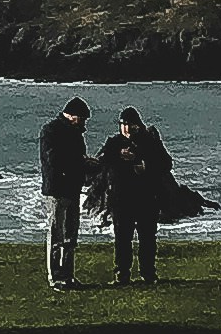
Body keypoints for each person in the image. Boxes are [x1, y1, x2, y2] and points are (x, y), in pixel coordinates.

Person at [97, 105, 176, 286]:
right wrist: (118, 155)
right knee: (122, 239)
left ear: (138, 125)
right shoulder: (114, 143)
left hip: (146, 197)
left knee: (147, 238)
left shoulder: (149, 141)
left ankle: (148, 273)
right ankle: (122, 274)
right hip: (121, 198)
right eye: (122, 124)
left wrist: (145, 166)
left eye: (130, 125)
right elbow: (102, 160)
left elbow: (166, 163)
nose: (126, 129)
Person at [38, 96, 92, 287]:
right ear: (72, 116)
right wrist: (81, 163)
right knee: (56, 234)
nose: (84, 123)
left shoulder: (72, 132)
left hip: (72, 189)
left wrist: (83, 164)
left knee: (70, 234)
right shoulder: (51, 130)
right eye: (82, 118)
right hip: (57, 190)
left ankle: (67, 274)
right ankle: (55, 276)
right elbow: (55, 160)